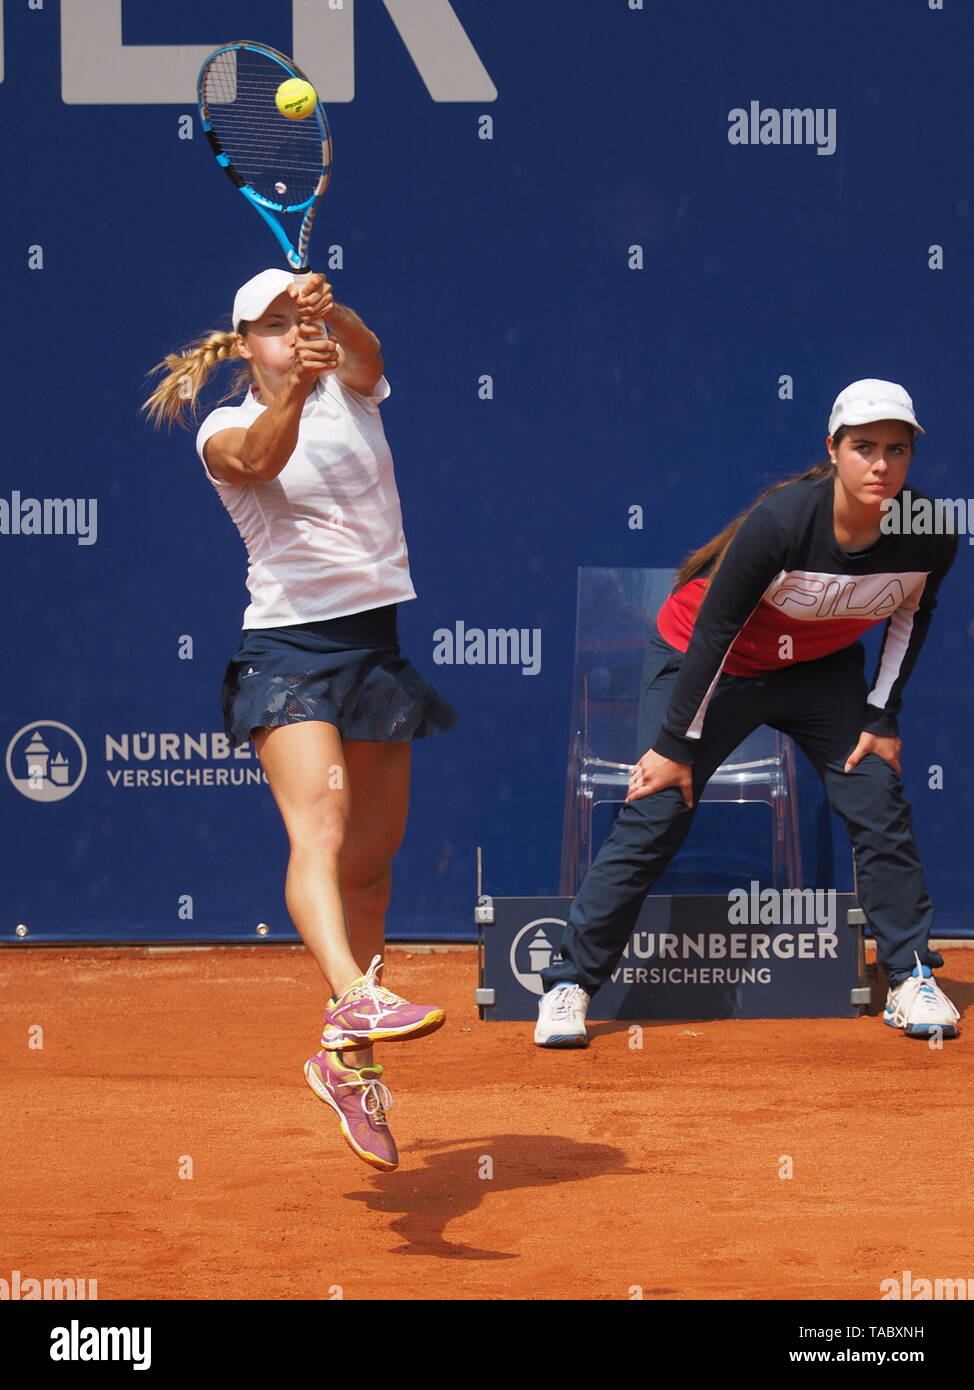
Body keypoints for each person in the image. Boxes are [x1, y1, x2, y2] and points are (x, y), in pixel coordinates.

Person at [144, 268, 458, 1170]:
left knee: (372, 872)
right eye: (272, 326)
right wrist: (301, 381)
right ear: (245, 345)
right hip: (287, 656)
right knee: (319, 830)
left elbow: (369, 353)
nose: (292, 335)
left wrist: (337, 315)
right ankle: (356, 997)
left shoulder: (355, 390)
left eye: (299, 318)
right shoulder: (222, 428)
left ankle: (344, 1062)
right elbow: (263, 462)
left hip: (375, 652)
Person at [536, 379, 961, 1047]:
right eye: (864, 447)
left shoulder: (929, 531)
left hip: (816, 671)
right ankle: (570, 984)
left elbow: (912, 615)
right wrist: (675, 744)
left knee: (876, 798)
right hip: (712, 662)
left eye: (897, 450)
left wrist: (882, 716)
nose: (881, 464)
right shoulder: (786, 521)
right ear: (834, 449)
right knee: (658, 808)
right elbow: (715, 631)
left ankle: (909, 975)